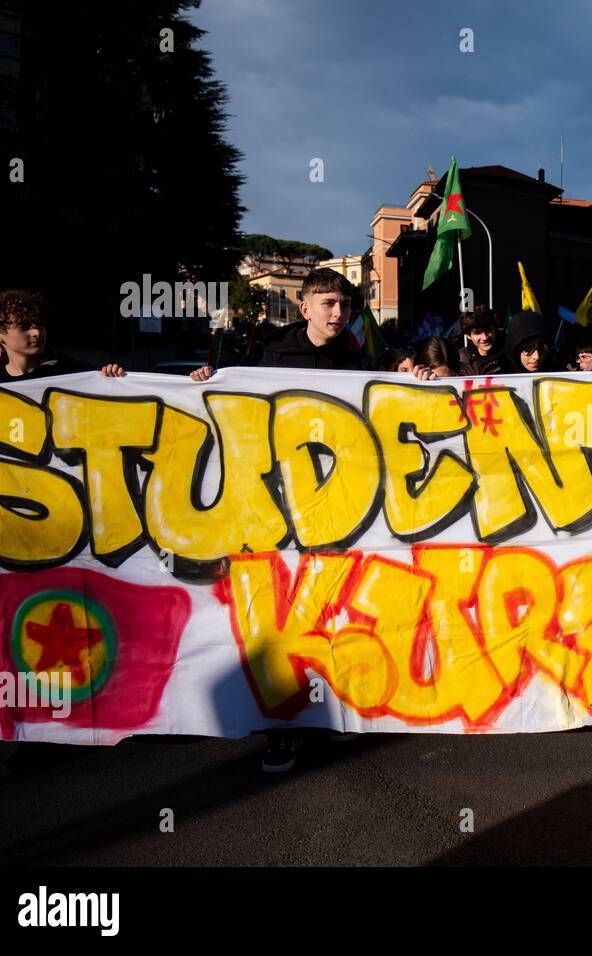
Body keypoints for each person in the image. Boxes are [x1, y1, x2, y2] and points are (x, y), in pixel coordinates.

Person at [189, 268, 367, 772]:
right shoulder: (266, 356)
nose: (339, 313)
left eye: (345, 305)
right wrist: (204, 383)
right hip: (275, 512)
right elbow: (223, 407)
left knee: (331, 614)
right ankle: (280, 730)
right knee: (277, 619)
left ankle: (325, 714)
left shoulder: (358, 361)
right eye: (329, 303)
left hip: (339, 511)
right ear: (305, 308)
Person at [0, 290, 123, 383]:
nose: (37, 333)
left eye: (40, 324)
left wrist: (112, 380)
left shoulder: (70, 370)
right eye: (24, 327)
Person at [457, 305, 504, 375]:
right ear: (468, 336)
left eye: (488, 330)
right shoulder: (459, 359)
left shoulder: (510, 354)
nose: (485, 337)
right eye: (478, 333)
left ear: (494, 329)